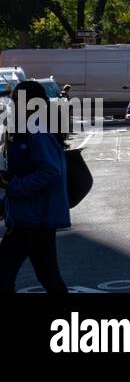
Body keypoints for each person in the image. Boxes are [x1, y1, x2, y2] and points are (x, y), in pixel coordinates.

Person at [0, 80, 69, 294]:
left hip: (32, 217)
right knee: (48, 275)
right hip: (34, 217)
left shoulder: (36, 132)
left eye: (16, 101)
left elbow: (50, 171)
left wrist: (13, 186)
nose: (12, 106)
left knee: (2, 274)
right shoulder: (26, 129)